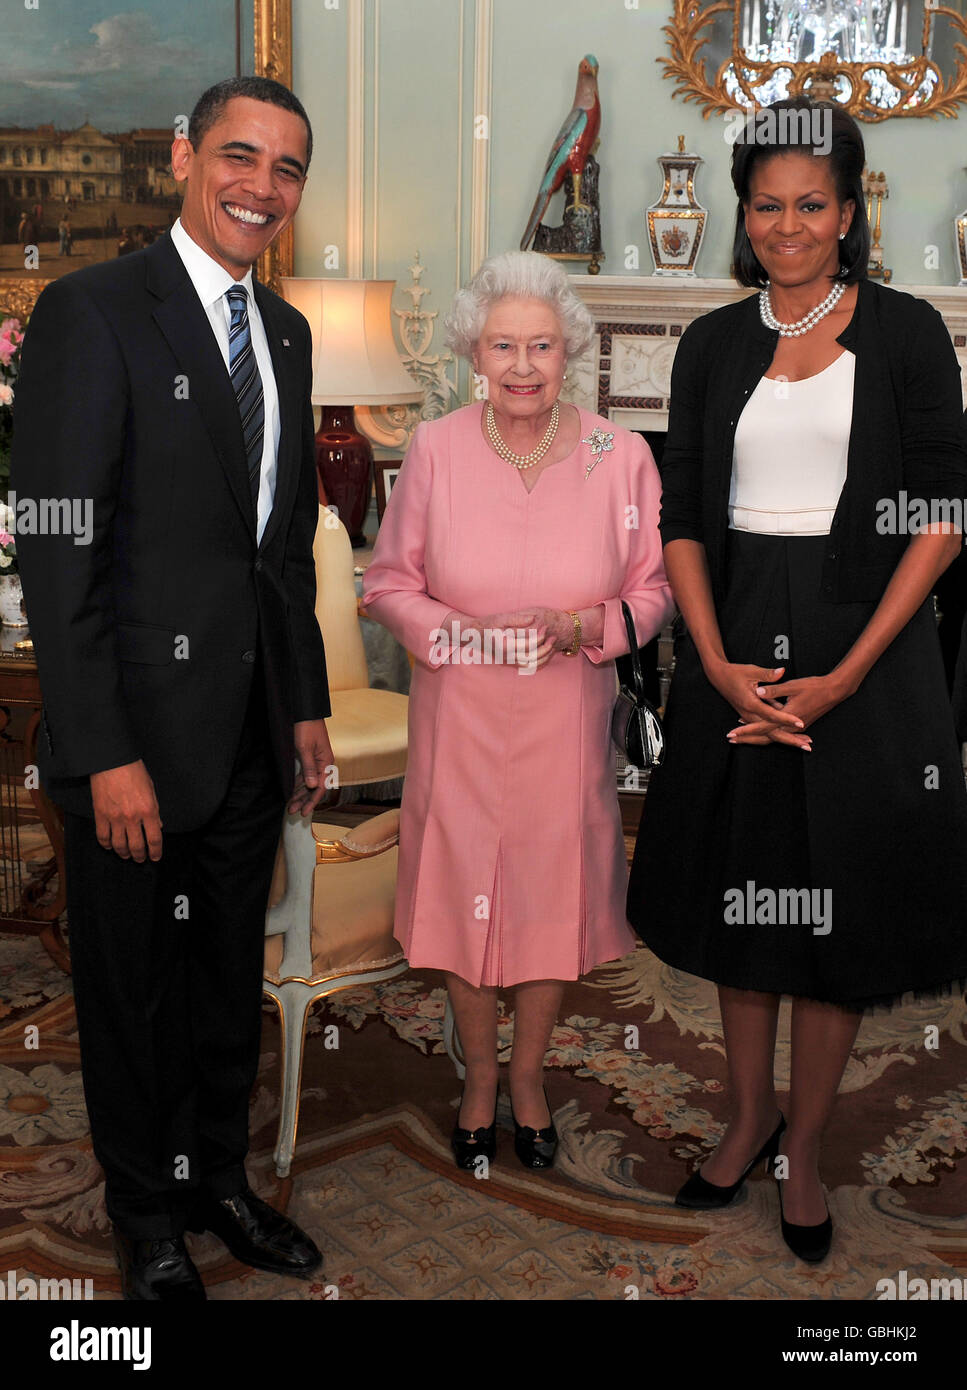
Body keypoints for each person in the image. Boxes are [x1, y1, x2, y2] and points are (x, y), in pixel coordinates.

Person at [627, 97, 967, 1264]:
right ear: (743, 213)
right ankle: (744, 1116)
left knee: (838, 913)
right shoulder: (712, 343)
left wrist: (847, 674)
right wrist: (711, 662)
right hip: (733, 647)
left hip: (864, 650)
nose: (786, 226)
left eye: (809, 204)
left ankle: (805, 1145)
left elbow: (939, 517)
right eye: (766, 205)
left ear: (847, 211)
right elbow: (680, 515)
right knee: (744, 897)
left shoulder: (911, 333)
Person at [12, 75, 335, 1301]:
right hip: (135, 742)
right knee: (131, 989)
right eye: (239, 156)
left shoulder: (287, 333)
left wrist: (301, 702)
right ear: (182, 158)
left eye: (287, 169)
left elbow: (282, 545)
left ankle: (216, 1181)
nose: (262, 185)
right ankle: (144, 1210)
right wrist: (103, 751)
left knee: (219, 986)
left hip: (250, 732)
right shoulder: (93, 313)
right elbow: (59, 549)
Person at [363, 250, 673, 1173]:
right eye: (505, 345)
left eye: (542, 345)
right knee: (463, 897)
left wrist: (581, 625)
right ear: (474, 352)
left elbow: (652, 594)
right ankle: (478, 1082)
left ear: (568, 350)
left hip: (564, 721)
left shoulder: (619, 458)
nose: (524, 365)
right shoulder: (435, 448)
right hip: (459, 719)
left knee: (547, 900)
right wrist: (472, 640)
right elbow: (388, 586)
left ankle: (529, 1078)